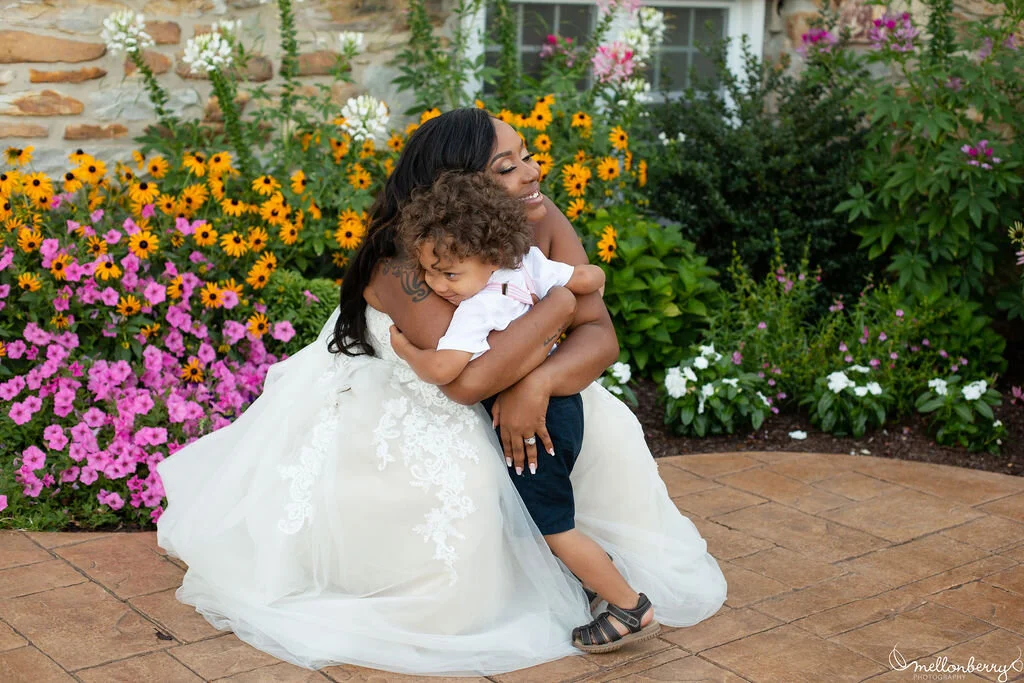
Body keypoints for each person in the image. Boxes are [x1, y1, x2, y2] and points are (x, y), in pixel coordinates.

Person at [156, 107, 727, 676]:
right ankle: (556, 577)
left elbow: (599, 334)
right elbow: (472, 377)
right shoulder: (405, 260)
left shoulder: (537, 215)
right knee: (472, 479)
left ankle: (592, 573)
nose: (533, 173)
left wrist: (541, 381)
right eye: (508, 167)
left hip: (523, 377)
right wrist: (557, 307)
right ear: (456, 186)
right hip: (412, 391)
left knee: (602, 431)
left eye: (527, 155)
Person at [390, 171, 659, 653]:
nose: (437, 284)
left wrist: (406, 349)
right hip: (564, 407)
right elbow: (587, 277)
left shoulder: (476, 310)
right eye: (428, 271)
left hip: (532, 430)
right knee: (553, 507)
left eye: (449, 274)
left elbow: (446, 369)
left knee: (552, 524)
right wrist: (579, 285)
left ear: (489, 258)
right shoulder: (530, 263)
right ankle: (594, 575)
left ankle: (627, 607)